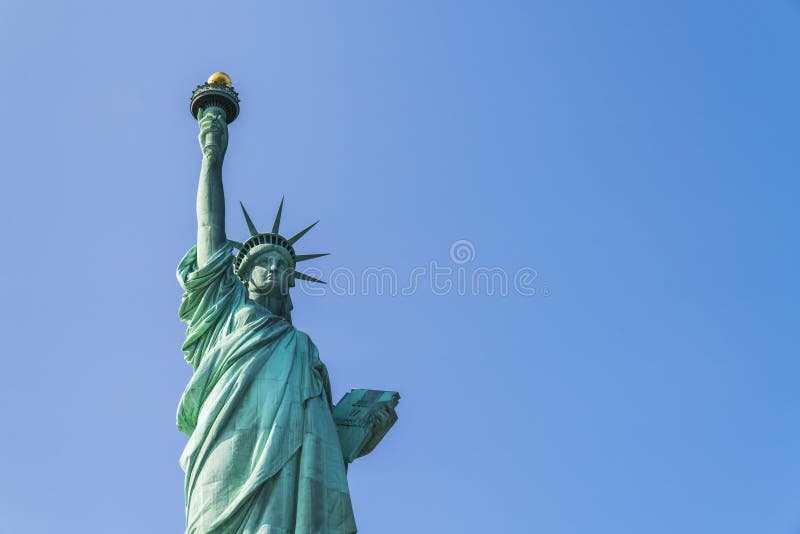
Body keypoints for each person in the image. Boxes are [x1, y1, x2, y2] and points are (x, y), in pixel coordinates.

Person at [176, 105, 357, 533]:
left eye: (282, 264)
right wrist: (212, 155)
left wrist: (357, 429)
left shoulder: (301, 347)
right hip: (227, 449)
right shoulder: (225, 310)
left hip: (290, 469)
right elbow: (209, 226)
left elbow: (321, 435)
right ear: (242, 274)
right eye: (264, 262)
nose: (274, 268)